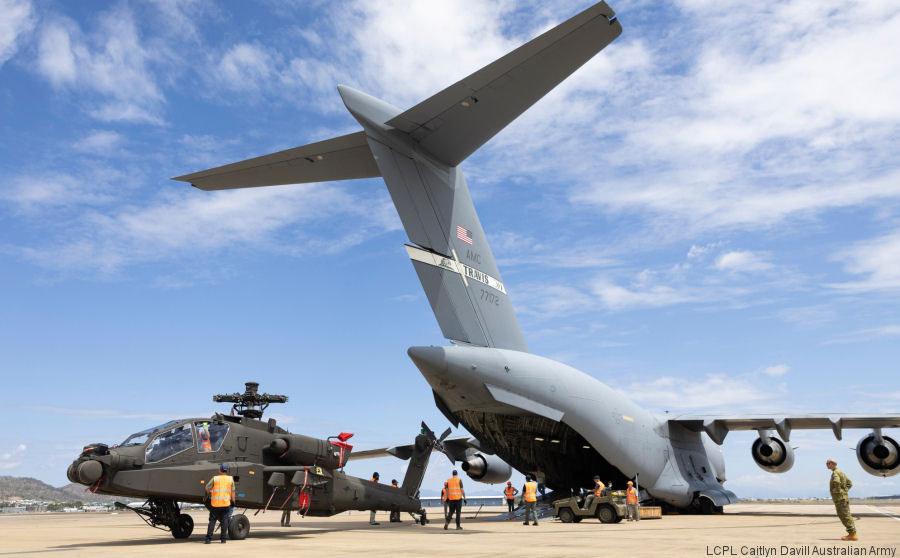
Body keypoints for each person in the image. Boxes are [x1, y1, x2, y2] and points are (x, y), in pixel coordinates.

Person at [826, 459, 857, 541]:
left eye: (828, 463)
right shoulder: (841, 472)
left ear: (832, 464)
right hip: (843, 498)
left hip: (840, 499)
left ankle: (852, 534)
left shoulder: (835, 473)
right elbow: (849, 483)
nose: (826, 465)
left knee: (844, 516)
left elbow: (836, 481)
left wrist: (838, 490)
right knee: (846, 515)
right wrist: (844, 491)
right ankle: (852, 533)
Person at [204, 463, 234, 544]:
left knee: (212, 521)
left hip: (215, 504)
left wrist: (210, 494)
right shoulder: (230, 479)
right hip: (225, 504)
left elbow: (206, 488)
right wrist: (233, 502)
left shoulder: (215, 478)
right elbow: (233, 492)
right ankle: (223, 539)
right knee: (224, 521)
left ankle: (208, 539)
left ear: (220, 470)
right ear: (226, 471)